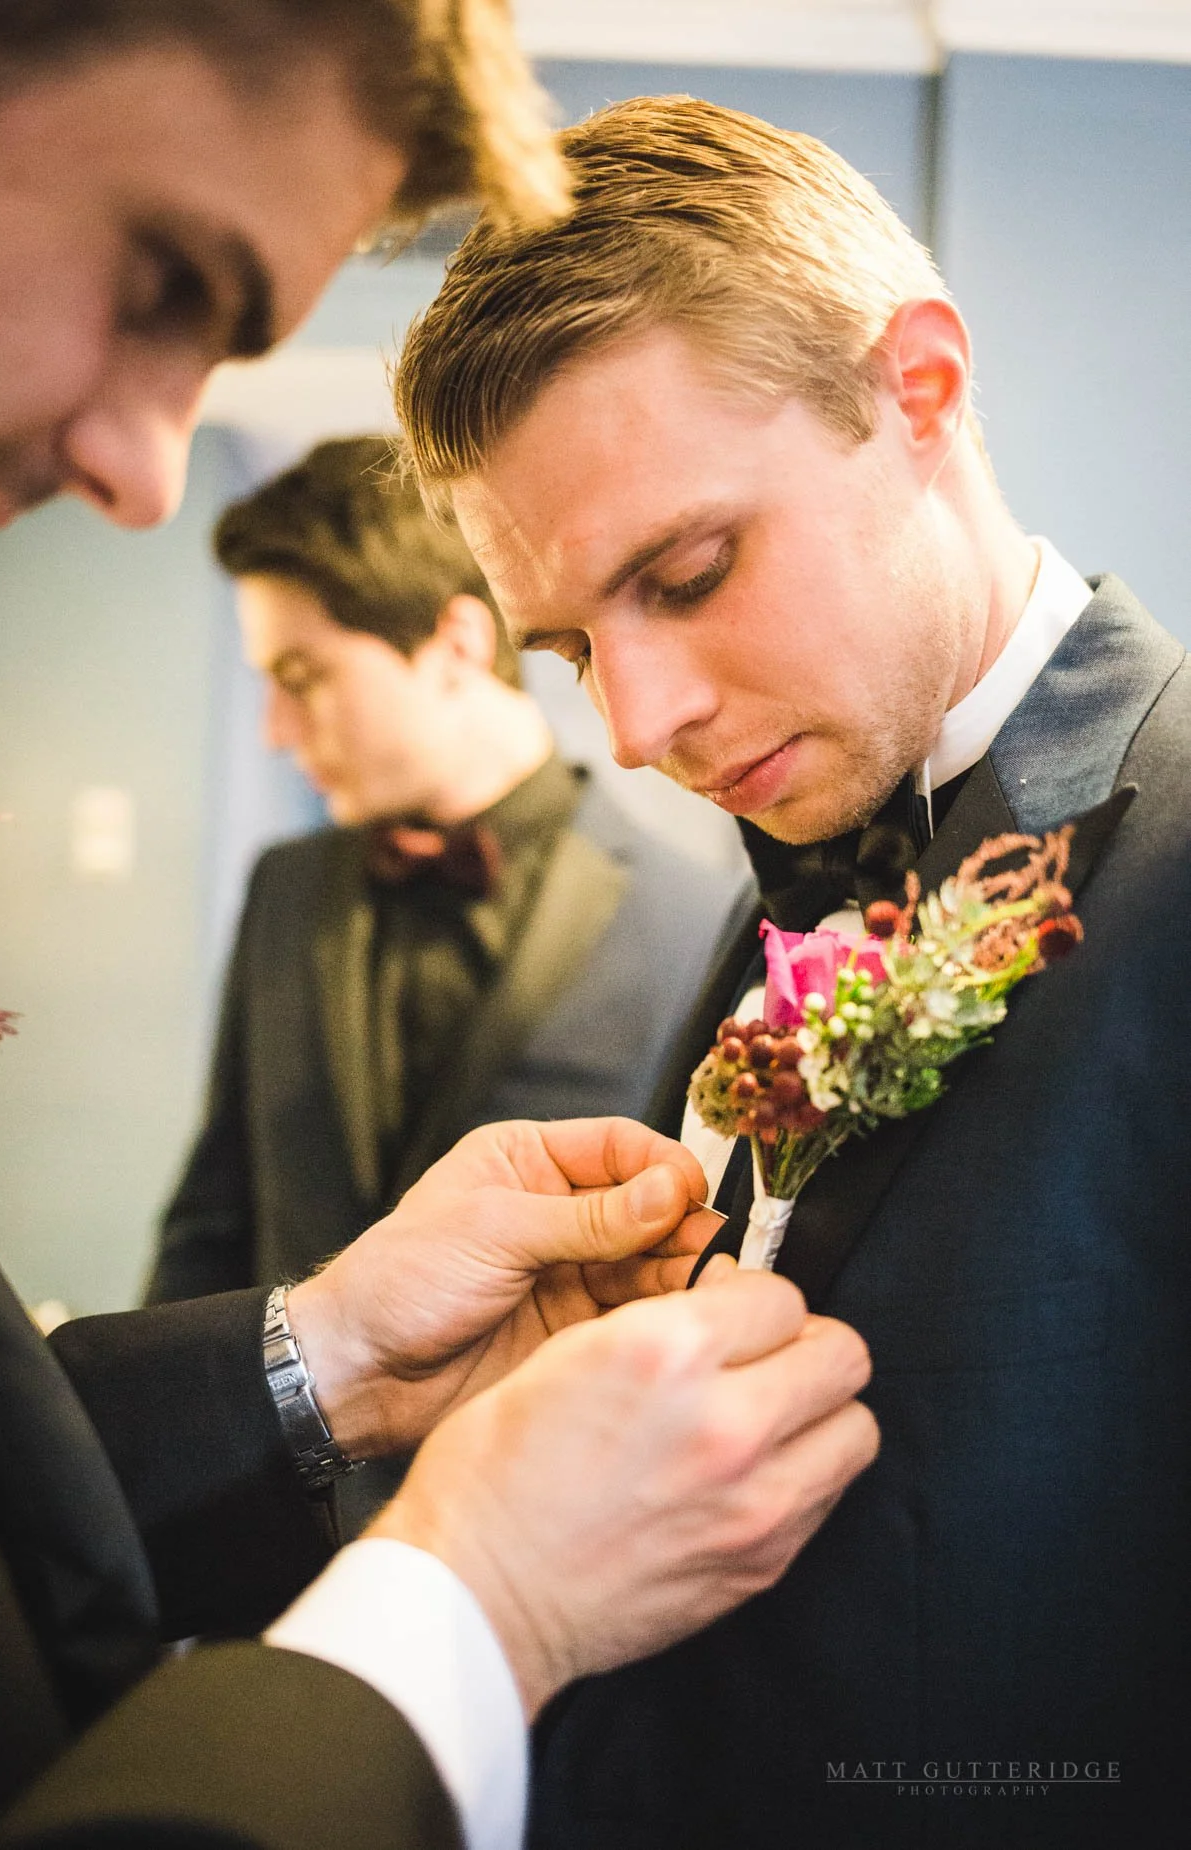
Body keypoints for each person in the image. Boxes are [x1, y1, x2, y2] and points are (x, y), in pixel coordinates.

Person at [0, 16, 885, 1848]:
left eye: (687, 576)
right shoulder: (286, 896)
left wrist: (305, 1355)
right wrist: (468, 1594)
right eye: (162, 275)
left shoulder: (719, 878)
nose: (152, 478)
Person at [394, 94, 1191, 1849]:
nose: (630, 725)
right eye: (567, 647)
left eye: (684, 573)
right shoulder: (781, 892)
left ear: (913, 392)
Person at [147, 436, 745, 1305]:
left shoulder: (696, 918)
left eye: (303, 677)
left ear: (455, 643)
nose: (276, 731)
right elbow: (211, 1222)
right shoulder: (283, 888)